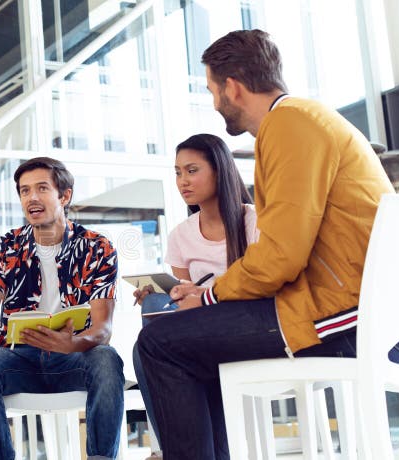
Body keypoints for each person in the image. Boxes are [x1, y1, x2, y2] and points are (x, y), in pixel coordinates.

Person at [136, 30, 394, 459]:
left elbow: (280, 257)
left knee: (159, 343)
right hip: (347, 306)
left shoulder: (289, 125)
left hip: (339, 316)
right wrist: (209, 297)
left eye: (212, 91)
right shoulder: (304, 119)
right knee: (187, 341)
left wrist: (209, 295)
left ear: (233, 87)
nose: (214, 103)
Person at [0, 156, 124, 460]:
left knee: (106, 359)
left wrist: (73, 343)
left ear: (64, 196)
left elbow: (103, 329)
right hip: (20, 359)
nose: (32, 197)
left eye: (42, 188)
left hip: (75, 357)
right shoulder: (3, 249)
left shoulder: (97, 247)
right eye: (25, 191)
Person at [131, 133, 259, 459]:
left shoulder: (254, 221)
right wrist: (164, 293)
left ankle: (175, 451)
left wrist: (208, 294)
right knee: (151, 319)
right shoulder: (181, 235)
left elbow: (262, 285)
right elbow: (183, 295)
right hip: (199, 331)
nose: (182, 181)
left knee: (157, 348)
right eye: (177, 173)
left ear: (219, 170)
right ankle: (174, 448)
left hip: (245, 325)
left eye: (192, 170)